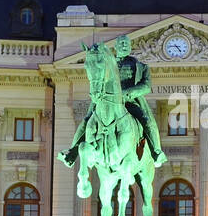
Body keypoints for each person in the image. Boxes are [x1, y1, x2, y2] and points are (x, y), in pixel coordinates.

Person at [62, 35, 167, 167]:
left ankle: (156, 152)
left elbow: (146, 86)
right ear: (115, 47)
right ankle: (71, 153)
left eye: (126, 44)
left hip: (130, 102)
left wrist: (126, 94)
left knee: (146, 120)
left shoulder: (141, 66)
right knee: (87, 120)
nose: (124, 46)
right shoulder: (106, 63)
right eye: (121, 43)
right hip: (104, 100)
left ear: (130, 47)